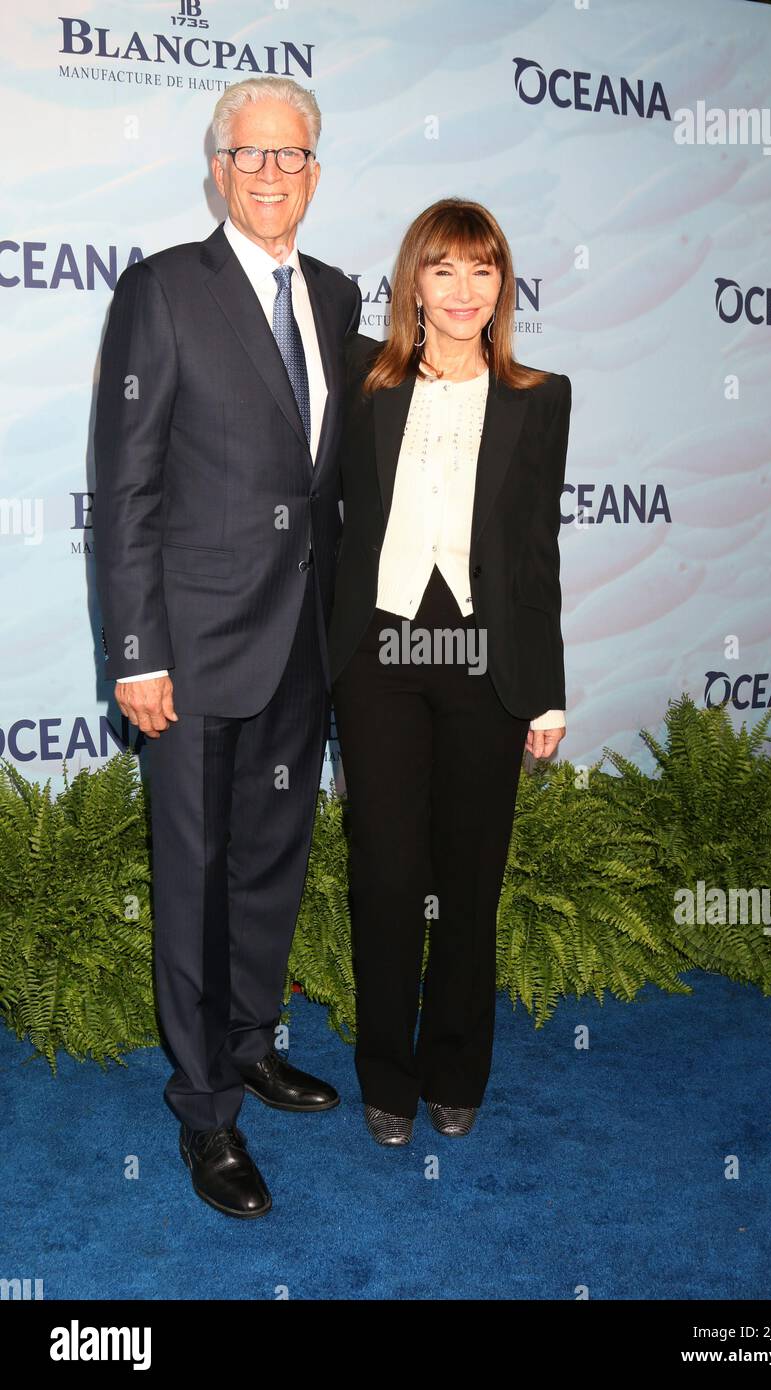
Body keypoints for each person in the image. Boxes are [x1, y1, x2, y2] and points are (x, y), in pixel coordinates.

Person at [92, 76, 361, 1217]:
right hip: (191, 651)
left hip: (301, 640)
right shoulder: (161, 291)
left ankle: (251, 1039)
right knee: (195, 878)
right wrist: (136, 648)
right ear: (216, 168)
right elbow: (126, 485)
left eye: (288, 155)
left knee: (268, 861)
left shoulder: (340, 297)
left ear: (314, 171)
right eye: (246, 155)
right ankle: (205, 1111)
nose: (267, 173)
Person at [328, 198, 571, 1145]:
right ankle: (386, 1075)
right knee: (387, 875)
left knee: (468, 878)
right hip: (379, 653)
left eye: (482, 270)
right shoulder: (365, 378)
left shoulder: (537, 395)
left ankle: (456, 1067)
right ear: (413, 284)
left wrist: (545, 689)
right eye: (444, 269)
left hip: (483, 660)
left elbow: (535, 556)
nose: (464, 290)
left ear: (502, 285)